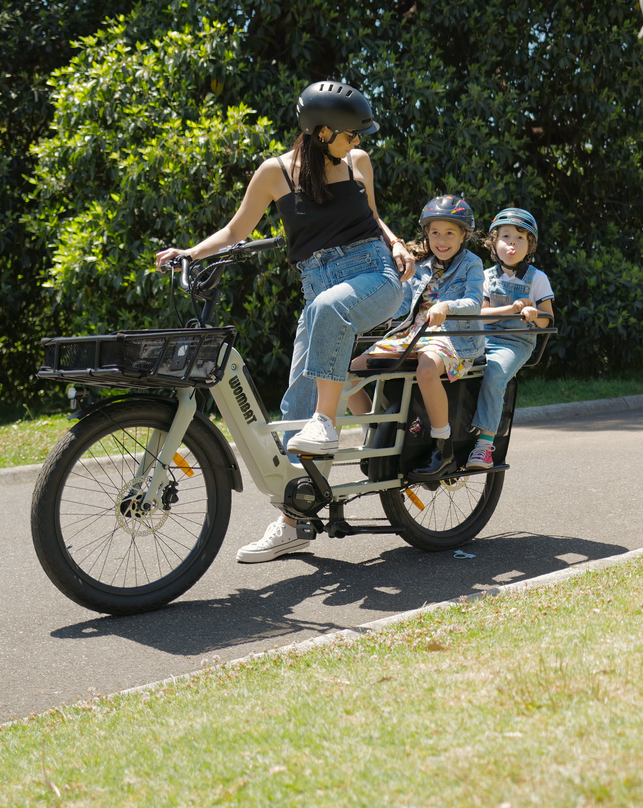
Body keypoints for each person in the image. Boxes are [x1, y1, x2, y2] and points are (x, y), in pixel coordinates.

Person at [156, 80, 414, 562]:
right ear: (321, 132)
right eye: (350, 134)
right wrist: (189, 252)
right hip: (320, 289)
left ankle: (326, 422)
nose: (358, 143)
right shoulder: (275, 173)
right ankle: (295, 520)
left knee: (325, 323)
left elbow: (374, 217)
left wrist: (397, 242)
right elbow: (237, 229)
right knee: (293, 403)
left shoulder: (358, 165)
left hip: (375, 277)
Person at [349, 195, 484, 479]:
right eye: (435, 232)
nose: (441, 239)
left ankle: (443, 447)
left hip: (451, 336)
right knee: (349, 371)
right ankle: (373, 438)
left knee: (426, 369)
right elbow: (400, 307)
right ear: (427, 234)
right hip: (411, 333)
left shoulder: (472, 264)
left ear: (463, 236)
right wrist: (369, 314)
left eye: (450, 233)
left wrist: (447, 307)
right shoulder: (420, 264)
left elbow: (474, 303)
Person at [466, 207, 554, 469]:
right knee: (450, 365)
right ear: (494, 243)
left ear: (530, 246)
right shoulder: (485, 276)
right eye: (505, 237)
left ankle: (484, 446)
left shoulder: (537, 278)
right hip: (484, 338)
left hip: (517, 342)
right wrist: (512, 308)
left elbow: (548, 319)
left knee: (495, 372)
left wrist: (532, 313)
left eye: (520, 238)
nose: (512, 244)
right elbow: (480, 315)